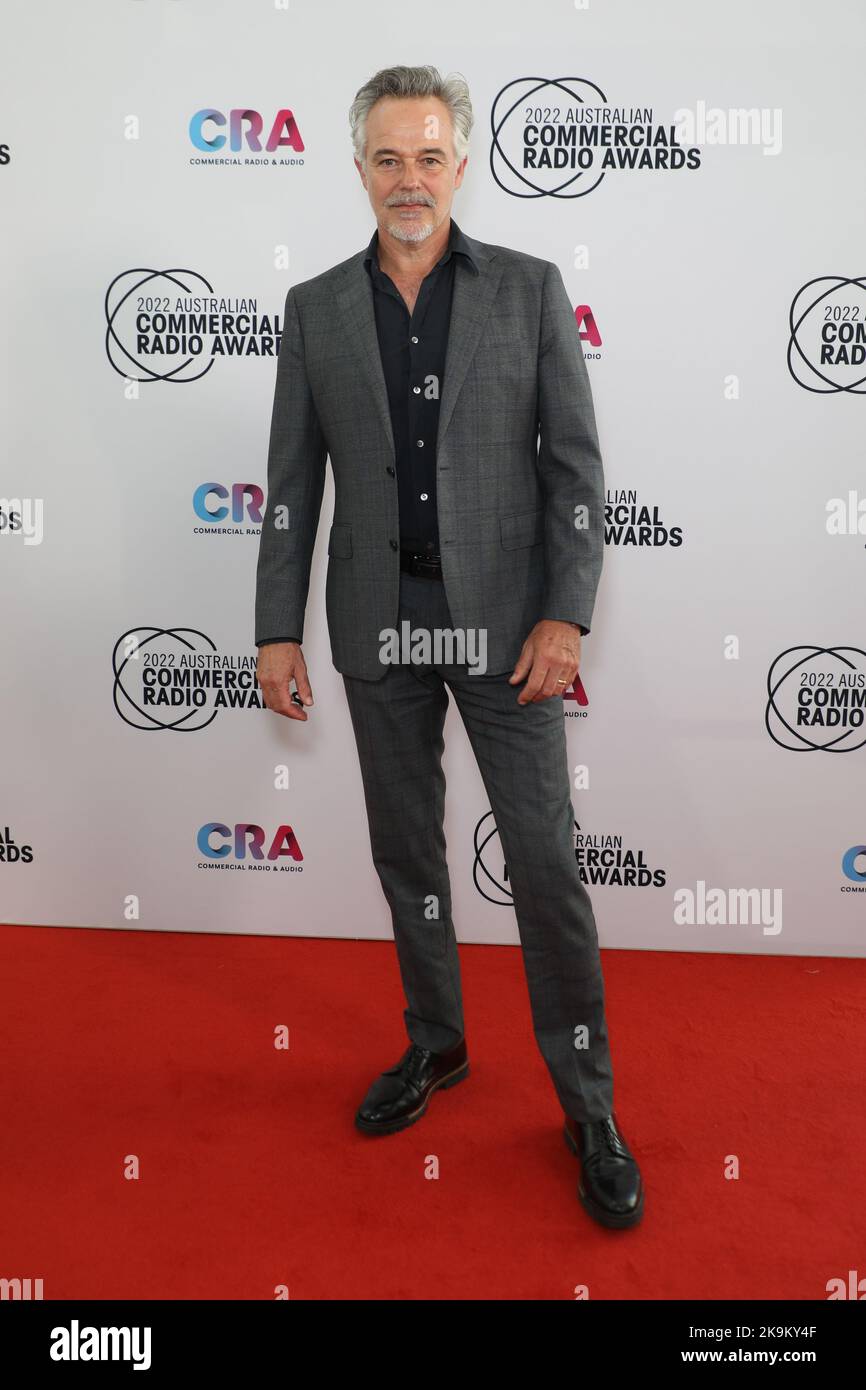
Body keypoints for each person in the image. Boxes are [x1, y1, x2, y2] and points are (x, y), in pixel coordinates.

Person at [254, 64, 643, 1229]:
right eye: (386, 158)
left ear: (459, 163)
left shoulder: (527, 291)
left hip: (508, 632)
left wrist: (564, 613)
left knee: (544, 868)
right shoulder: (315, 308)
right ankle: (437, 1044)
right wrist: (276, 624)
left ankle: (588, 1106)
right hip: (378, 624)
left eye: (427, 156)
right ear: (357, 166)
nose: (407, 179)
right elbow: (287, 490)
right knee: (409, 860)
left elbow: (574, 473)